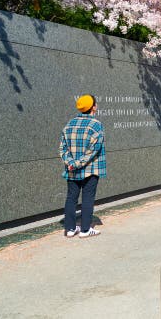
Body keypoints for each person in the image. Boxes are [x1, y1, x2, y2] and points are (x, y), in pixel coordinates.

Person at [60, 94, 106, 238]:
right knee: (88, 198)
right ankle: (85, 230)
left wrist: (71, 163)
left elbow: (63, 149)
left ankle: (70, 229)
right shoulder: (96, 125)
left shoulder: (69, 124)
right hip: (90, 169)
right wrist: (79, 163)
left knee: (71, 198)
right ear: (93, 107)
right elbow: (94, 150)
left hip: (72, 169)